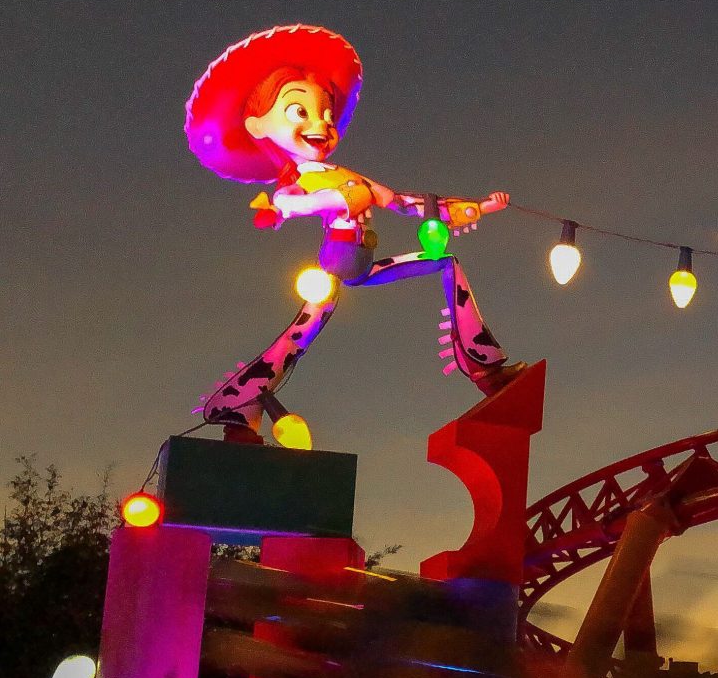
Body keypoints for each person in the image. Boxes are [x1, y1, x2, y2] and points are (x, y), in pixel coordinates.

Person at [184, 24, 523, 445]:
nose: (320, 123)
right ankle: (239, 407)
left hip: (363, 263)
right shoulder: (299, 182)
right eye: (299, 112)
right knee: (295, 338)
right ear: (257, 127)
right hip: (333, 263)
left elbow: (403, 201)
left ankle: (483, 365)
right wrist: (339, 201)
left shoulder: (346, 177)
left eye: (326, 113)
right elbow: (287, 206)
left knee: (444, 263)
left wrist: (479, 207)